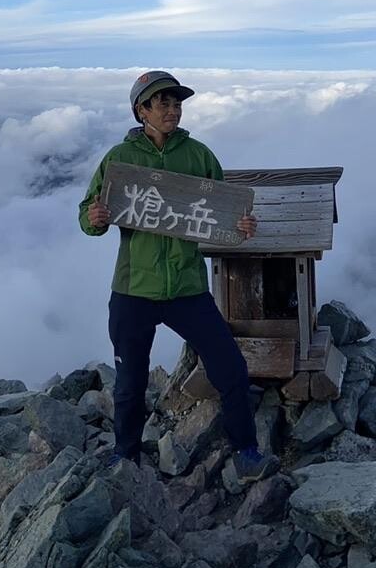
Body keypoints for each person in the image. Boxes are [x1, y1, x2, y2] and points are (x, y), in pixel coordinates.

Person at [78, 70, 276, 485]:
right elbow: (89, 211)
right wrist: (94, 219)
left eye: (176, 102)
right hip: (134, 288)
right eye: (162, 103)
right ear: (141, 110)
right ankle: (124, 455)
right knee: (130, 380)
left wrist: (241, 226)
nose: (172, 109)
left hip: (187, 286)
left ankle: (246, 450)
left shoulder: (199, 155)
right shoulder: (119, 160)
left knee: (231, 369)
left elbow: (225, 213)